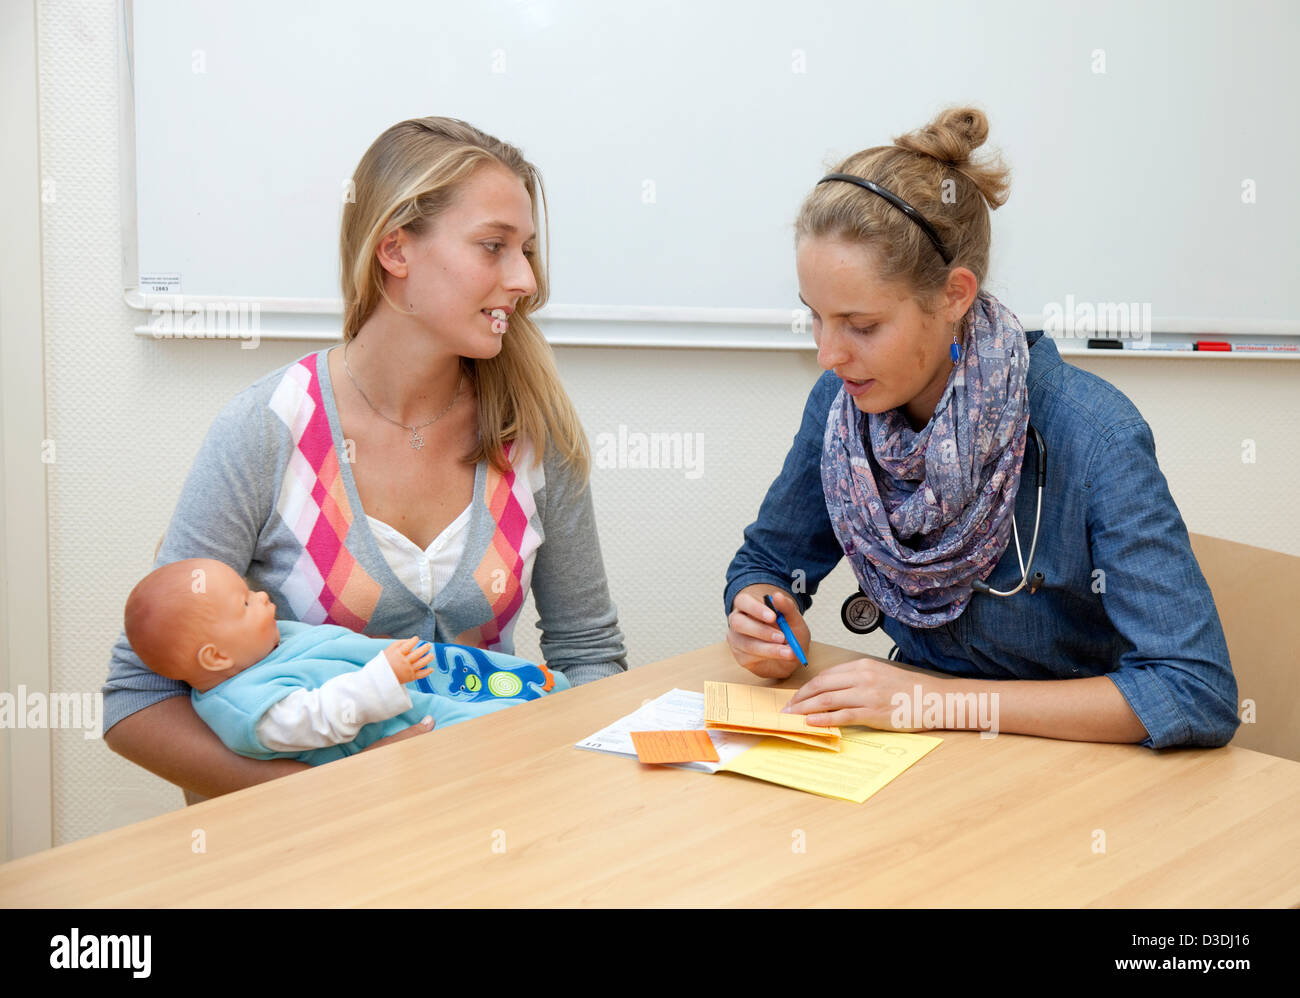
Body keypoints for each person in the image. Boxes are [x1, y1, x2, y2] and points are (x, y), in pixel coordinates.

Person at [104, 117, 627, 798]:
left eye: (526, 249)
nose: (526, 278)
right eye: (494, 247)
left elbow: (587, 654)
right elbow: (136, 700)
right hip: (305, 856)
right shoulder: (267, 432)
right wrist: (325, 794)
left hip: (492, 826)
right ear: (395, 250)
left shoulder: (532, 433)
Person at [724, 106, 1238, 749]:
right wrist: (760, 613)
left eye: (861, 325)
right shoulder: (843, 404)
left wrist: (933, 701)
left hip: (1075, 774)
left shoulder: (1095, 435)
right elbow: (770, 563)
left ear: (954, 295)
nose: (829, 354)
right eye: (815, 317)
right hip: (919, 753)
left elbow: (1194, 692)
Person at [122, 559, 567, 764]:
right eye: (244, 602)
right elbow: (320, 718)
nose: (261, 596)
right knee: (492, 731)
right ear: (216, 656)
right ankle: (543, 722)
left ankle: (546, 696)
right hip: (399, 731)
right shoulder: (246, 708)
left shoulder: (260, 651)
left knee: (489, 684)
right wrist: (381, 679)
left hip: (414, 679)